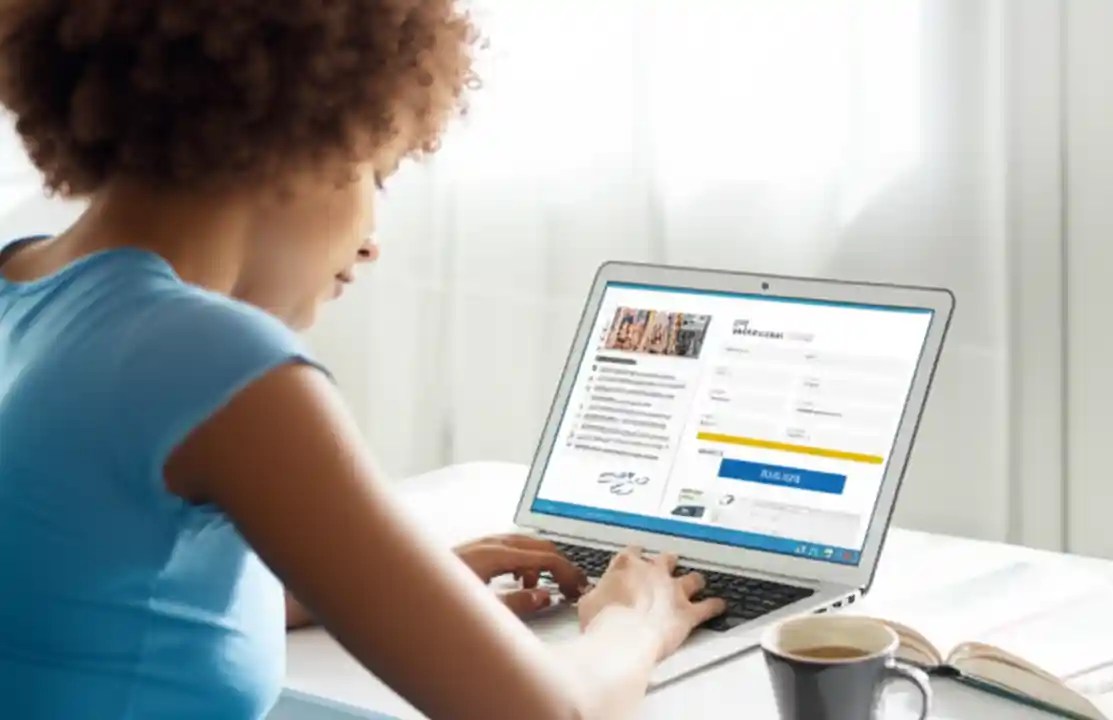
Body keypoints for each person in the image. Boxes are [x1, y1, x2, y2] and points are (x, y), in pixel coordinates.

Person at [0, 2, 724, 719]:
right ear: (297, 131)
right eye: (375, 176)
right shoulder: (211, 358)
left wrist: (386, 590)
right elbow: (548, 715)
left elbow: (78, 600)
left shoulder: (18, 285)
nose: (373, 240)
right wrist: (638, 621)